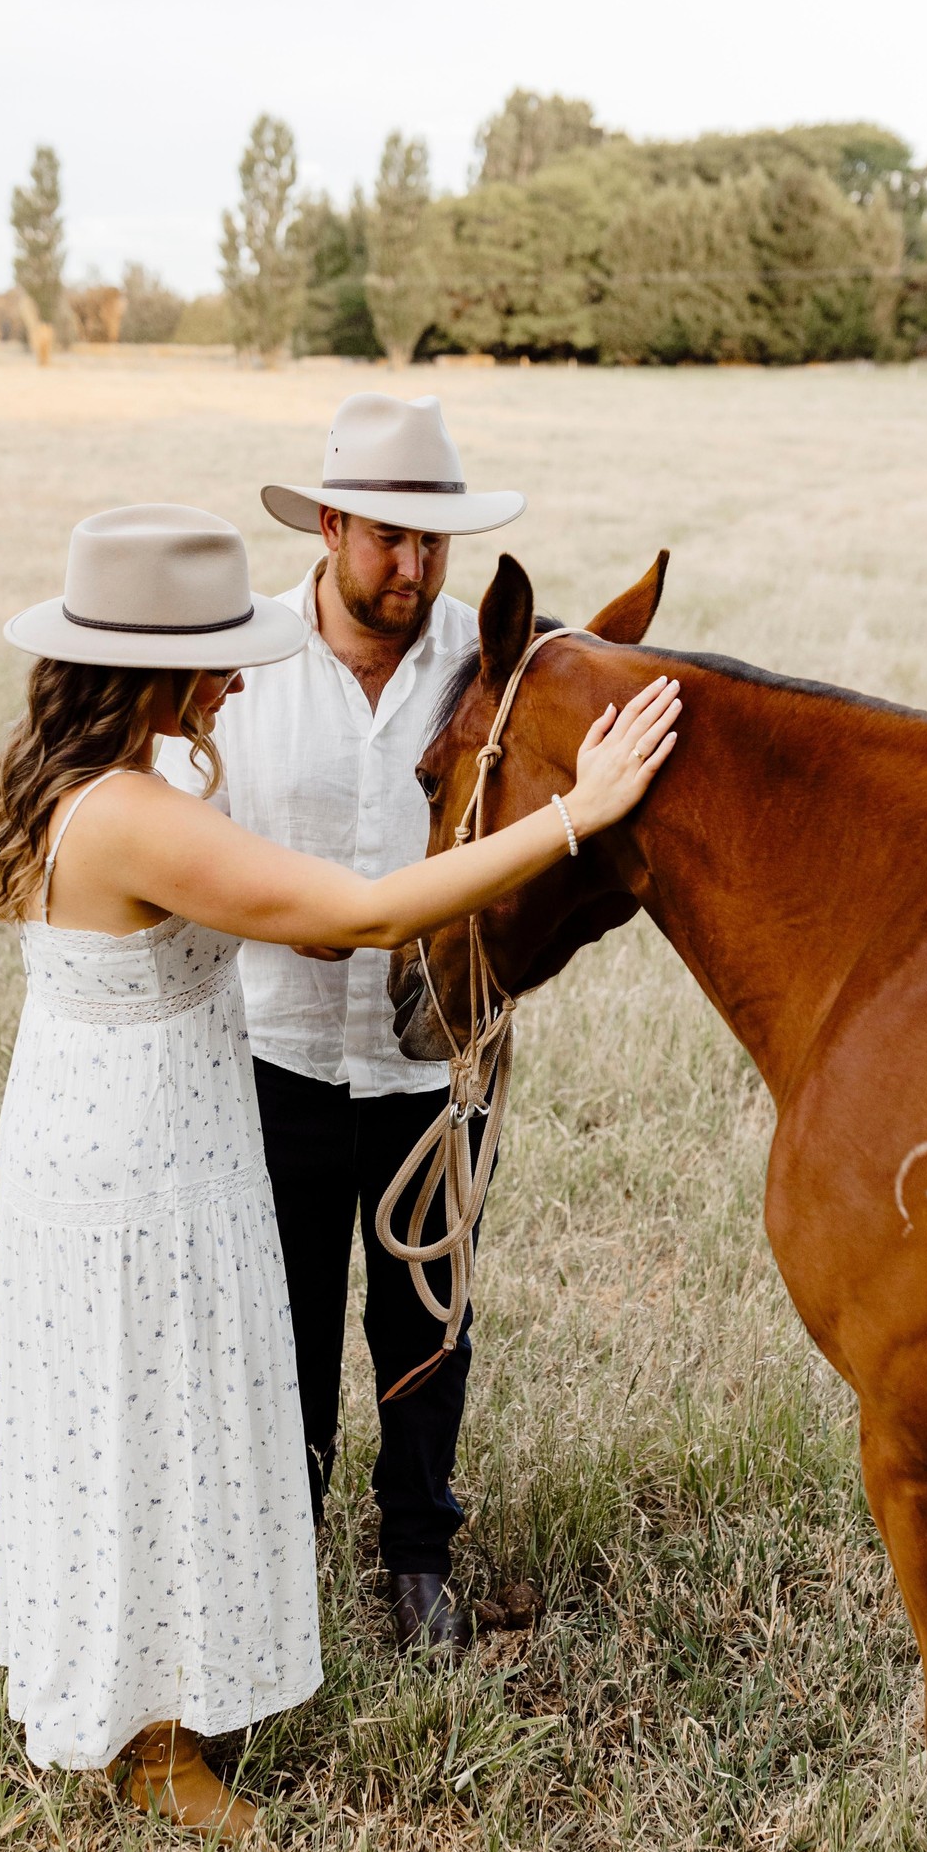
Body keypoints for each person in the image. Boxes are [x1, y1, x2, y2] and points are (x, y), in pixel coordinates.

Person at [0, 501, 680, 1836]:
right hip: (139, 1158)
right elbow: (357, 913)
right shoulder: (129, 811)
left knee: (140, 1418)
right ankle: (163, 1748)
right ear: (150, 670)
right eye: (218, 658)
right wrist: (575, 819)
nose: (244, 677)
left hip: (125, 1130)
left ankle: (143, 1690)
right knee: (156, 1419)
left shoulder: (117, 780)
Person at [160, 391, 531, 1656]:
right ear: (329, 525)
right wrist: (274, 917)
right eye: (388, 540)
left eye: (435, 544)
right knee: (284, 1314)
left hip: (435, 1071)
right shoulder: (243, 656)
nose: (414, 569)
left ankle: (419, 1549)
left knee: (428, 1316)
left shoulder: (487, 667)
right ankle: (288, 1533)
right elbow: (175, 835)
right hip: (275, 1054)